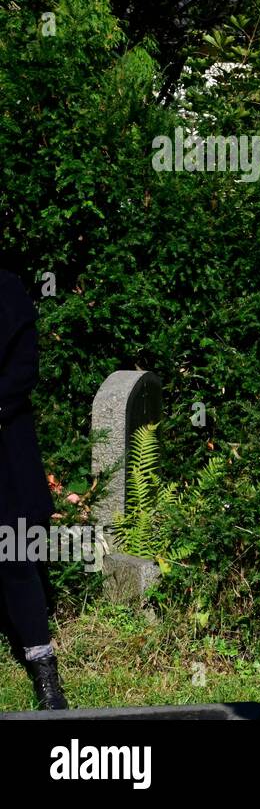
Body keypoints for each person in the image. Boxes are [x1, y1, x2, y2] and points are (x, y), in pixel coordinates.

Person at [0, 268, 67, 710]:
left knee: (16, 552)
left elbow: (25, 368)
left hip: (5, 444)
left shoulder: (6, 289)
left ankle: (45, 673)